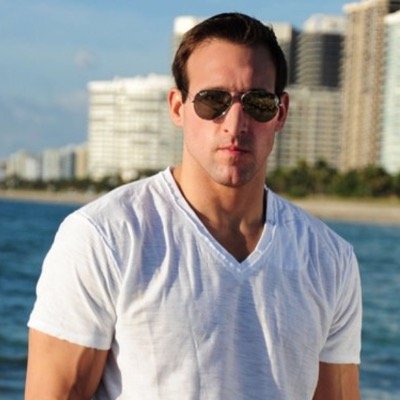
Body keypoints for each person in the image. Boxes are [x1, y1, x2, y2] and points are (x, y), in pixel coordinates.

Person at [25, 12, 362, 400]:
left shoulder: (329, 259)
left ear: (280, 113)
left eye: (257, 103)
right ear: (177, 107)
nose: (235, 123)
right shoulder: (104, 236)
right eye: (213, 100)